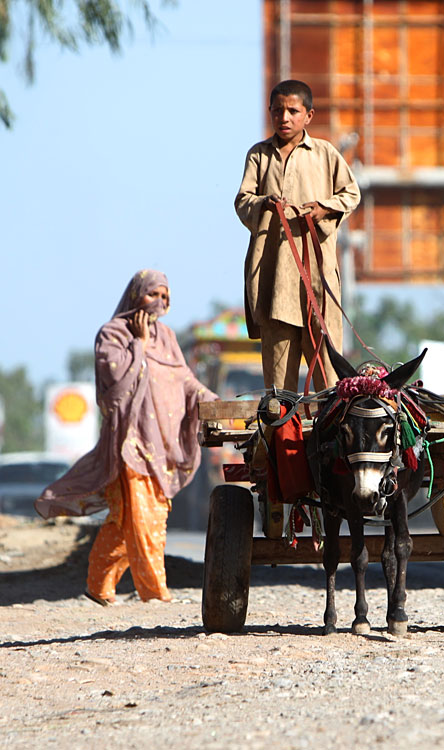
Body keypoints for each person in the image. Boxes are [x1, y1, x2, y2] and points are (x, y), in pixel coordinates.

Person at [35, 270, 218, 604]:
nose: (159, 302)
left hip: (162, 446)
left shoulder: (167, 336)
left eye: (165, 296)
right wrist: (139, 344)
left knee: (125, 522)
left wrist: (213, 401)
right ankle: (155, 594)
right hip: (130, 445)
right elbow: (115, 385)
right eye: (153, 294)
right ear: (136, 295)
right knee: (144, 520)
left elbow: (184, 380)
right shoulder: (113, 334)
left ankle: (98, 588)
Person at [236, 79, 361, 393]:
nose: (285, 117)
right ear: (270, 112)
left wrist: (324, 209)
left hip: (318, 279)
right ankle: (283, 424)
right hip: (274, 280)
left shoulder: (325, 153)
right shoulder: (259, 156)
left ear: (308, 115)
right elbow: (242, 201)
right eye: (278, 111)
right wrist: (264, 204)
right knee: (279, 388)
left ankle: (332, 423)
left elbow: (351, 194)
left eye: (293, 111)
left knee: (330, 379)